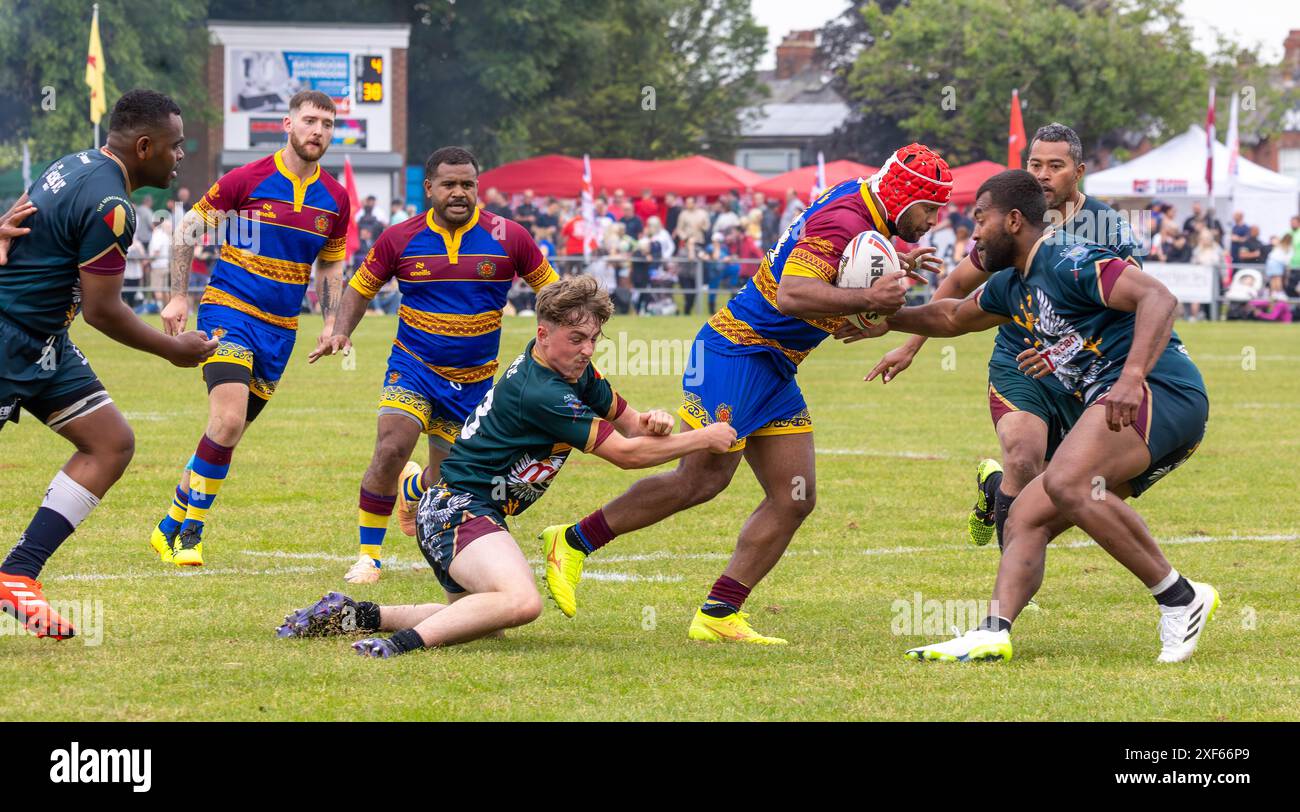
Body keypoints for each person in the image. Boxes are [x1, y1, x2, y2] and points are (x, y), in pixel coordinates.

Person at [538, 144, 949, 643]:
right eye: (929, 208)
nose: (933, 220)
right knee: (700, 480)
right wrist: (868, 300)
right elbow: (793, 294)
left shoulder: (864, 204)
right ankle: (573, 541)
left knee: (794, 496)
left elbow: (838, 264)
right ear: (903, 198)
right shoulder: (845, 218)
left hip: (773, 365)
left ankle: (719, 613)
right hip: (734, 353)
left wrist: (893, 263)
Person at [276, 276, 737, 656]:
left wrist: (654, 421)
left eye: (594, 339)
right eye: (576, 338)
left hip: (466, 511)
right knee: (521, 602)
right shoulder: (543, 392)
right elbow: (625, 456)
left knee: (484, 619)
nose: (587, 350)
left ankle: (352, 614)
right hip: (457, 513)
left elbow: (633, 429)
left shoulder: (576, 373)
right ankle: (392, 646)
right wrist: (705, 438)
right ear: (542, 334)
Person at [878, 169, 1216, 663]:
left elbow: (1158, 296)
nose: (972, 232)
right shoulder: (1011, 284)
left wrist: (1131, 376)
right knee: (1024, 519)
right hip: (1121, 402)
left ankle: (1181, 598)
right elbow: (950, 316)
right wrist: (874, 315)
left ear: (1013, 220)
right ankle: (993, 630)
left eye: (979, 219)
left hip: (1163, 393)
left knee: (1066, 482)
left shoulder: (1067, 260)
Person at [0, 90, 216, 639]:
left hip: (43, 341)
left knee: (111, 443)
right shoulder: (112, 206)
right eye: (175, 147)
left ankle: (18, 574)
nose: (180, 158)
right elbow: (102, 310)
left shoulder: (71, 163)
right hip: (8, 340)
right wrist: (174, 349)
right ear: (144, 146)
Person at [865, 124, 1140, 554]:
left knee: (1083, 485)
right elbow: (955, 286)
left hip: (1083, 368)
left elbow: (1137, 302)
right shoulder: (1012, 221)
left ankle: (996, 490)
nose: (1043, 175)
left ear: (1079, 172)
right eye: (1035, 165)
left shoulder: (1106, 228)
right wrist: (910, 344)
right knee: (1024, 457)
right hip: (1019, 360)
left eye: (1055, 165)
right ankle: (1011, 584)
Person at [308, 146, 559, 584]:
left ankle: (411, 490)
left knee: (448, 483)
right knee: (390, 448)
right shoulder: (399, 237)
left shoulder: (511, 237)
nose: (460, 193)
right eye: (449, 184)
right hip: (414, 368)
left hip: (475, 384)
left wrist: (571, 330)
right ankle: (369, 557)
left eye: (468, 184)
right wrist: (341, 330)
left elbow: (552, 294)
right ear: (429, 189)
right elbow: (360, 288)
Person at [148, 89, 351, 567]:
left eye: (326, 124)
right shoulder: (247, 178)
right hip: (228, 310)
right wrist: (179, 295)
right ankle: (189, 536)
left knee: (225, 434)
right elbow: (188, 230)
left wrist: (330, 321)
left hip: (281, 331)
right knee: (229, 420)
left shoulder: (336, 199)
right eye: (309, 121)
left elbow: (330, 267)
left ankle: (167, 525)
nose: (317, 131)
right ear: (287, 123)